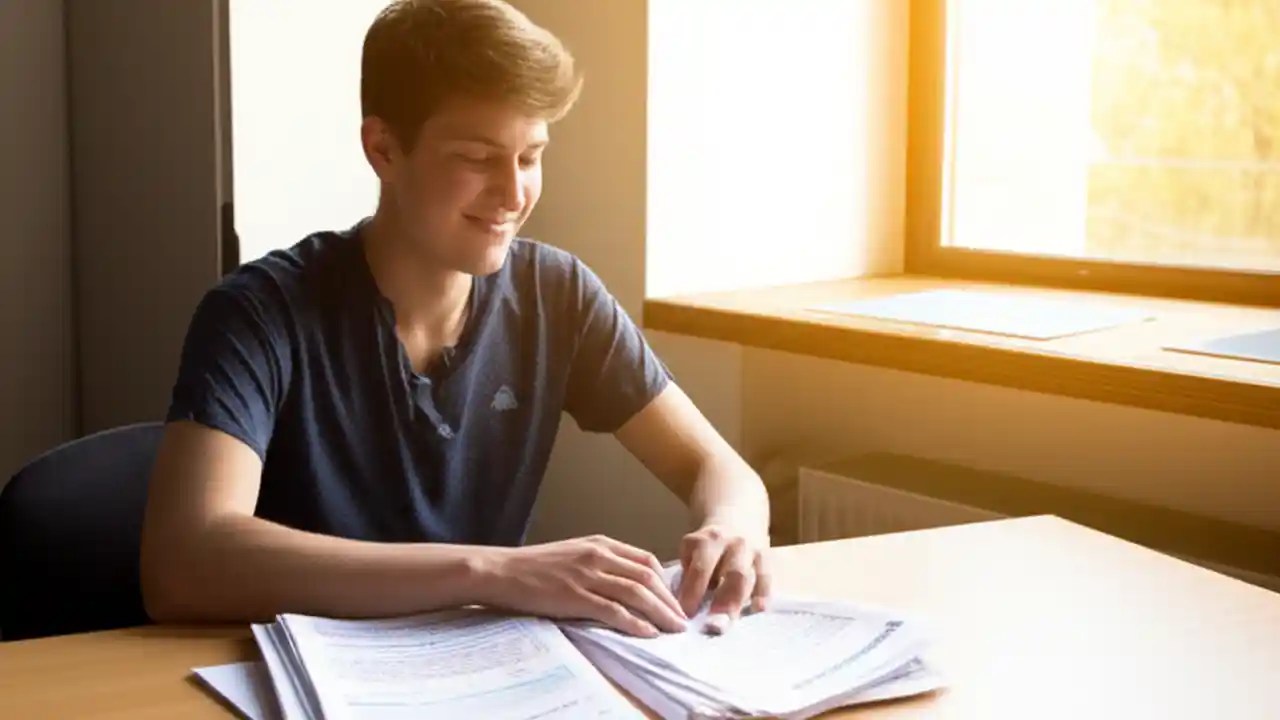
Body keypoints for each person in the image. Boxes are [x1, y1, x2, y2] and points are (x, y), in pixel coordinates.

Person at [139, 0, 770, 639]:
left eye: (530, 156)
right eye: (478, 158)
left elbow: (719, 470)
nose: (515, 193)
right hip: (291, 678)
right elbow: (184, 561)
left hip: (479, 675)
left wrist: (734, 525)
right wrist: (490, 572)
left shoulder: (558, 295)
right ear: (384, 149)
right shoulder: (259, 313)